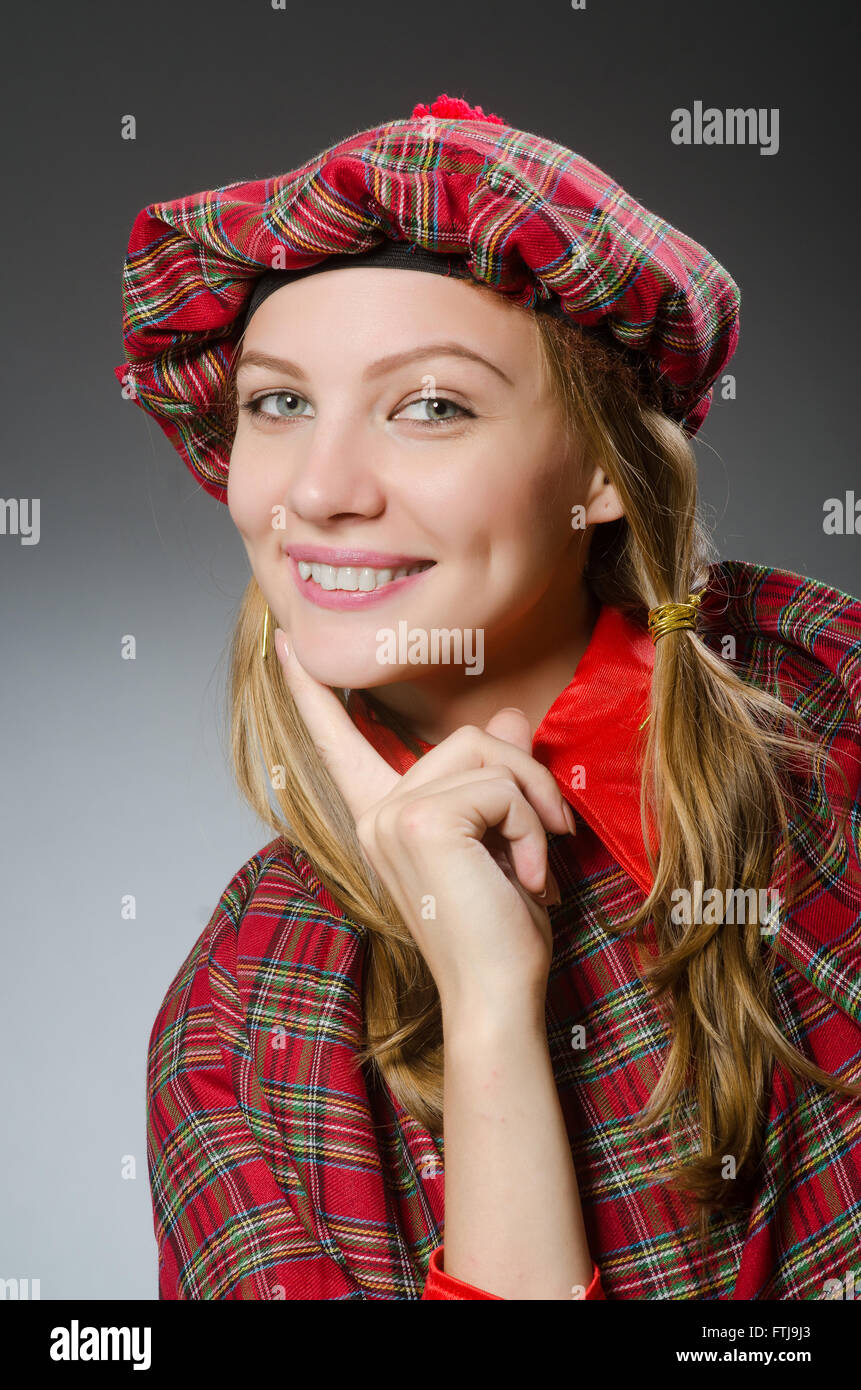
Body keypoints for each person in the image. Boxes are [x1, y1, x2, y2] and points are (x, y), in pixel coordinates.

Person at [117, 94, 861, 1300]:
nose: (320, 491)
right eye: (280, 402)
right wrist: (488, 1006)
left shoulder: (830, 700)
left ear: (606, 473)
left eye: (431, 406)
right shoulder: (239, 1028)